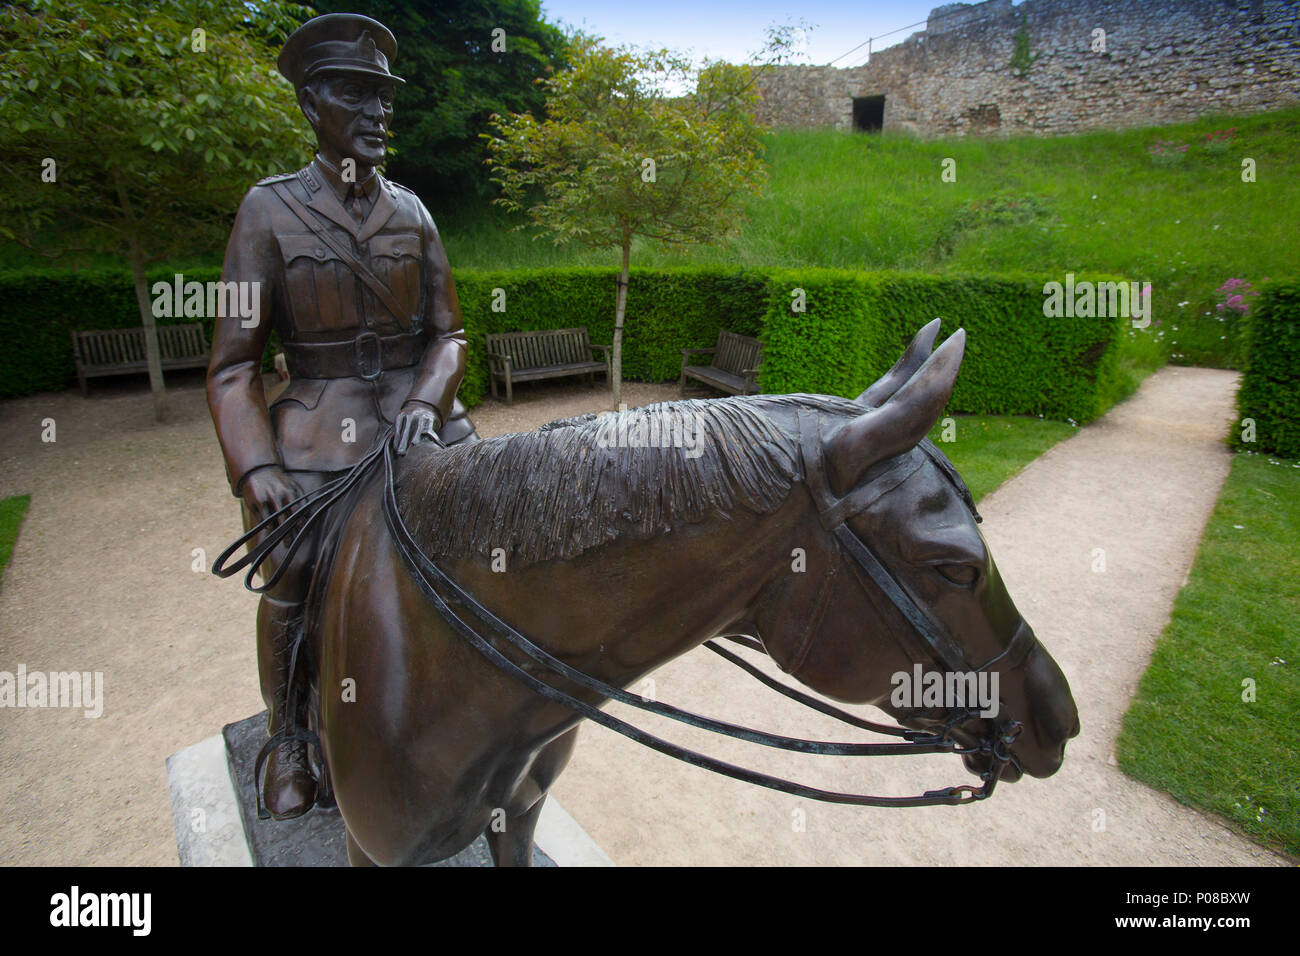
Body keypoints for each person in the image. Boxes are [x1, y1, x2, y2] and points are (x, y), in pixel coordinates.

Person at [207, 12, 476, 819]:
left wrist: (429, 402)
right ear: (311, 104)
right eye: (356, 94)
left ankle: (459, 712)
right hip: (317, 436)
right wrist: (257, 468)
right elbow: (230, 368)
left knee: (492, 544)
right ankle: (288, 735)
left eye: (384, 96)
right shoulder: (266, 211)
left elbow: (450, 334)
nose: (378, 112)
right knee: (291, 567)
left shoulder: (415, 214)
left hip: (418, 428)